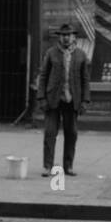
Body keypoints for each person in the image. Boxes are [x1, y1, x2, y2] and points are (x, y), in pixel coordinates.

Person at [34, 23, 91, 176]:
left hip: (72, 100)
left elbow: (85, 79)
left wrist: (85, 100)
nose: (66, 38)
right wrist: (41, 97)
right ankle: (48, 166)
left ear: (74, 37)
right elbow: (43, 76)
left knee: (71, 133)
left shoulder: (80, 55)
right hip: (53, 98)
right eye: (63, 35)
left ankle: (68, 165)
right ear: (59, 37)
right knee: (50, 133)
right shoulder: (51, 53)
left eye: (69, 35)